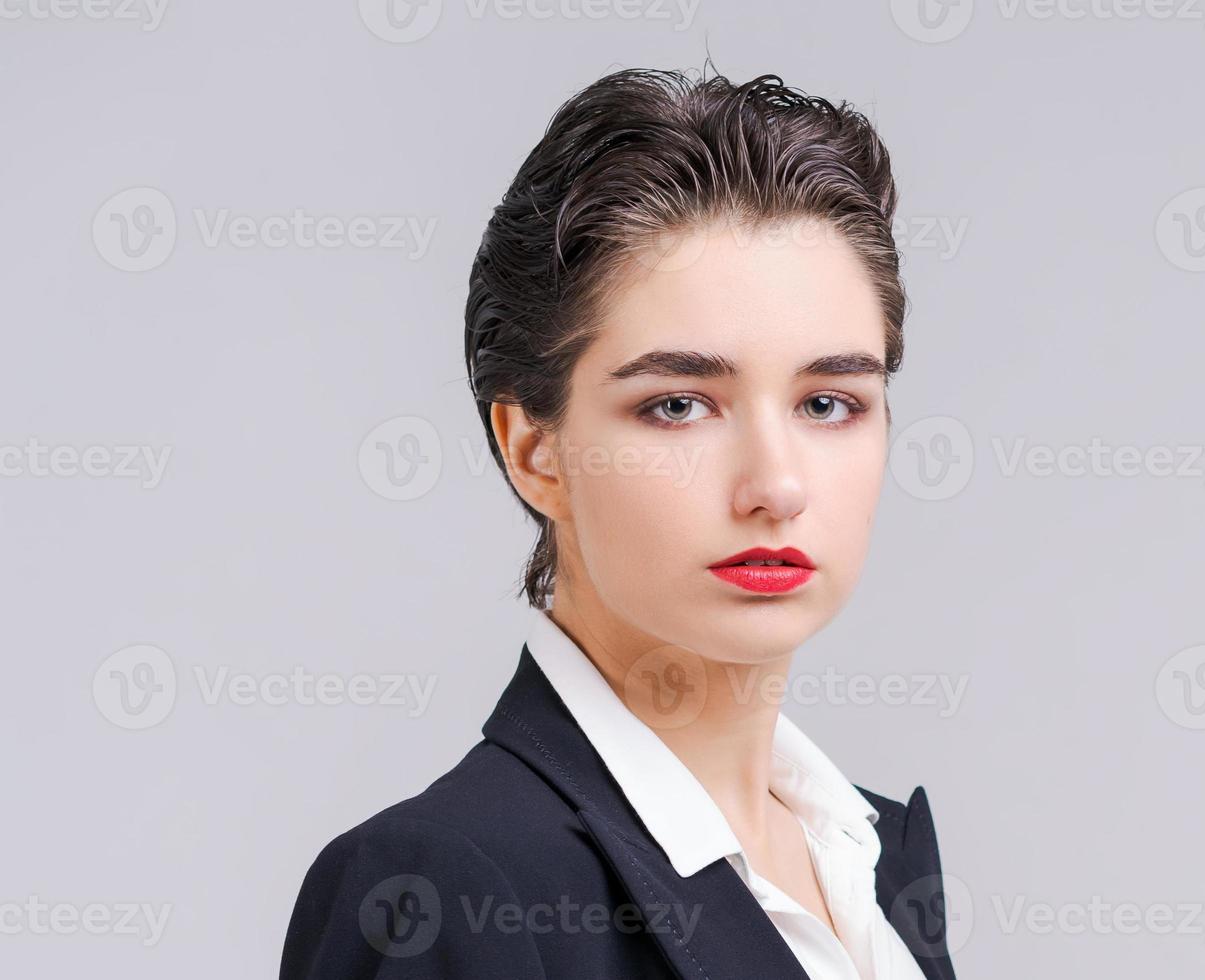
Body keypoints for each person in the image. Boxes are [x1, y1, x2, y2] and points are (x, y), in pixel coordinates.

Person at [279, 66, 955, 980]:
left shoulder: (872, 857)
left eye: (829, 402)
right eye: (678, 406)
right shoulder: (442, 886)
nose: (775, 486)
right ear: (533, 451)